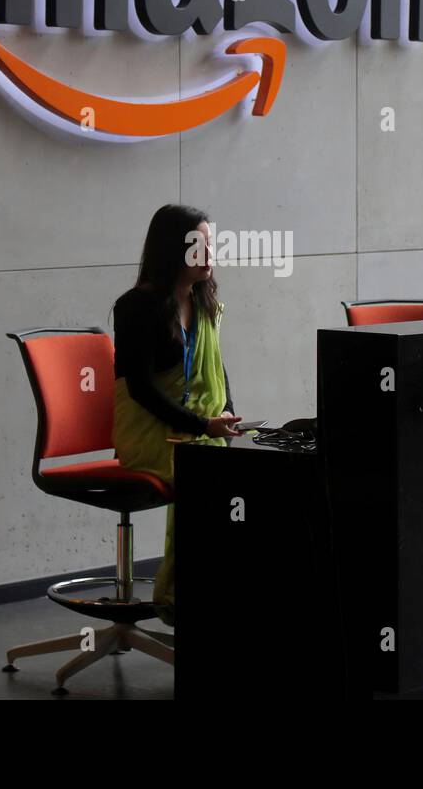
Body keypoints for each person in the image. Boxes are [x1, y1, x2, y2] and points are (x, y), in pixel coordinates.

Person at [112, 204, 242, 627]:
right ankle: (182, 599)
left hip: (197, 431)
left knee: (249, 474)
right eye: (197, 246)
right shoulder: (136, 307)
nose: (208, 255)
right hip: (150, 436)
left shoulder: (204, 302)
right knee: (209, 475)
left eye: (211, 245)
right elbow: (142, 391)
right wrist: (202, 426)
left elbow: (217, 369)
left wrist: (227, 414)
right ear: (172, 250)